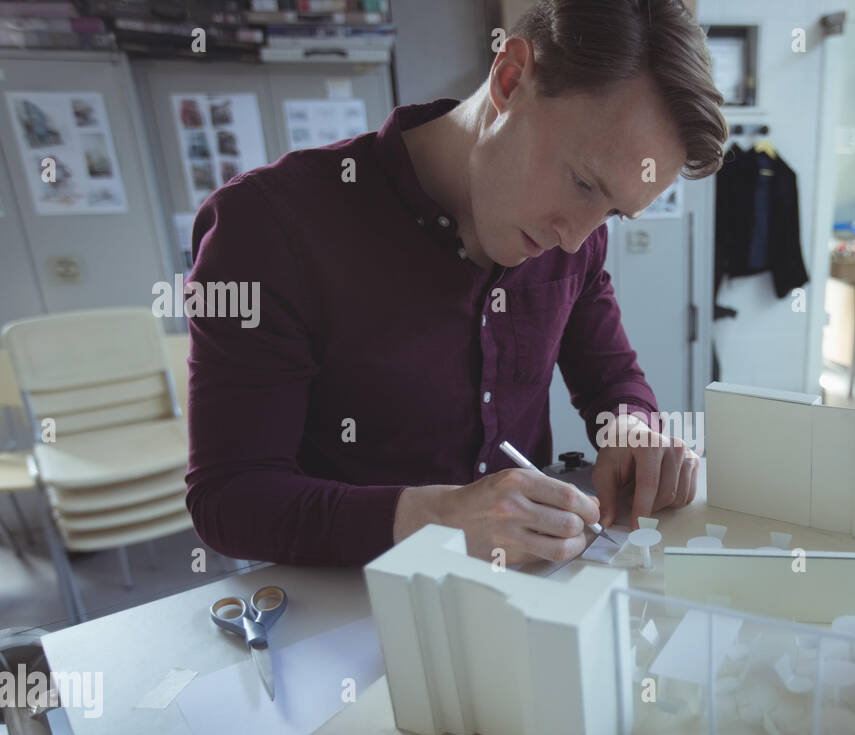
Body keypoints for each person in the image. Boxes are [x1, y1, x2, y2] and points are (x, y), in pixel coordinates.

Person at [185, 0, 727, 567]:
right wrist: (437, 522)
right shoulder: (266, 227)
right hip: (343, 605)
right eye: (583, 182)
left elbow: (610, 377)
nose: (576, 238)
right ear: (510, 78)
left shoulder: (576, 235)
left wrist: (633, 430)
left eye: (614, 210)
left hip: (524, 593)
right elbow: (230, 498)